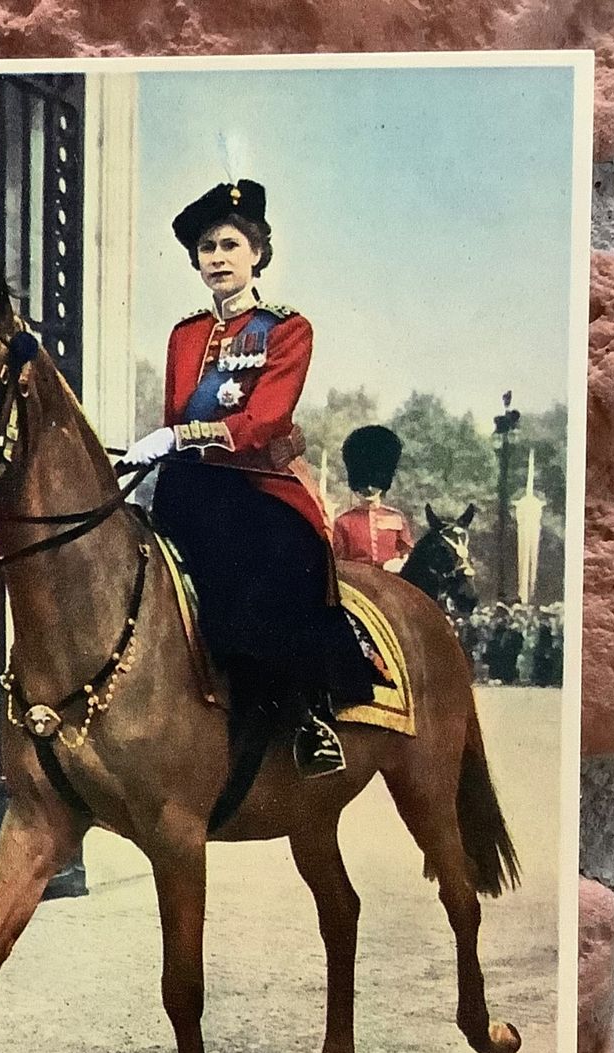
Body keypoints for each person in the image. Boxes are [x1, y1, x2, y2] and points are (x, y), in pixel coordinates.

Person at [125, 178, 376, 777]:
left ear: (257, 253)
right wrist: (160, 449)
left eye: (230, 245)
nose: (217, 258)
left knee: (281, 565)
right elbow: (175, 414)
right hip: (189, 489)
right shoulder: (185, 334)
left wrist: (179, 438)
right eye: (207, 248)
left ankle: (306, 713)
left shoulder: (286, 328)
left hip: (257, 487)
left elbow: (265, 418)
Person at [332, 425, 413, 571]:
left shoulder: (397, 518)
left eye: (374, 483)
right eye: (364, 484)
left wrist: (399, 563)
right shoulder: (343, 522)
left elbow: (407, 553)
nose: (369, 489)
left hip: (392, 579)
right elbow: (337, 563)